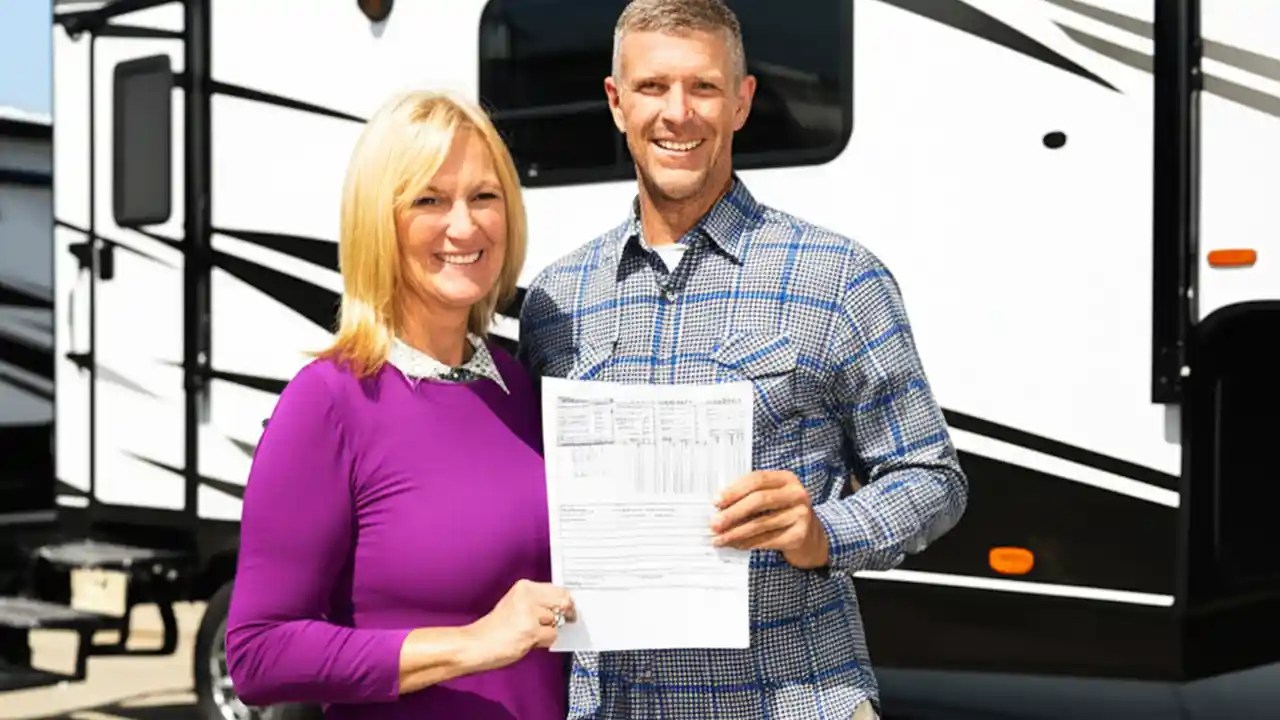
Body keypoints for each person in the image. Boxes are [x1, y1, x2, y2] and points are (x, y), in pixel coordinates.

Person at [517, 1, 969, 718]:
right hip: (618, 705)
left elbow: (932, 477)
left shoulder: (839, 278)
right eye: (652, 87)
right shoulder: (556, 301)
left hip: (796, 698)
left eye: (703, 87)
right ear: (615, 102)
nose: (678, 113)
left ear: (741, 101)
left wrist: (824, 531)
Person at [224, 90, 574, 720]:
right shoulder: (330, 400)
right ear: (378, 224)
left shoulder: (520, 389)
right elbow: (257, 653)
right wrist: (470, 645)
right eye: (428, 201)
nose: (464, 226)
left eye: (484, 196)